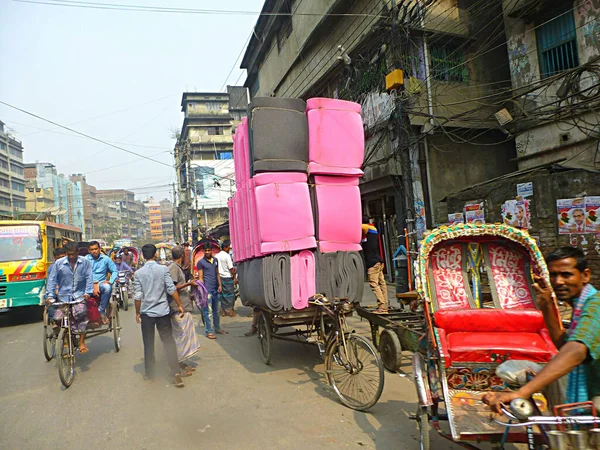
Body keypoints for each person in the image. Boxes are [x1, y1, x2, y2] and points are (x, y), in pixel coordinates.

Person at [483, 247, 600, 413]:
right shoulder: (580, 305)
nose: (558, 281)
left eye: (566, 275)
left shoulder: (595, 305)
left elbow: (576, 351)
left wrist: (522, 393)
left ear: (585, 276)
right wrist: (546, 307)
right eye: (553, 275)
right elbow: (564, 345)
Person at [134, 244, 186, 387]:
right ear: (155, 255)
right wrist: (180, 304)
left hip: (147, 313)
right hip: (163, 311)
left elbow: (138, 296)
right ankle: (175, 372)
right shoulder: (163, 269)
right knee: (168, 341)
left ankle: (150, 374)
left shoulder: (138, 273)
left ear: (143, 256)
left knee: (148, 343)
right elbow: (171, 289)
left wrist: (137, 312)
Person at [46, 242, 94, 353]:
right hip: (63, 296)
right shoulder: (59, 263)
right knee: (57, 318)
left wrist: (88, 293)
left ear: (77, 252)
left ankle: (82, 342)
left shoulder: (85, 262)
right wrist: (50, 295)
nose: (71, 257)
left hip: (79, 296)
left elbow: (89, 278)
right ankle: (66, 338)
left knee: (81, 315)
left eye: (73, 254)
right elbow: (52, 280)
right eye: (69, 254)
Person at [168, 246, 200, 375]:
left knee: (182, 336)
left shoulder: (176, 268)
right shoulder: (173, 269)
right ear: (182, 256)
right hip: (178, 307)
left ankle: (181, 362)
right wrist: (189, 284)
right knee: (180, 336)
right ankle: (177, 365)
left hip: (182, 305)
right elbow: (173, 288)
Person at [196, 243, 225, 339]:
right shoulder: (201, 263)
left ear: (211, 250)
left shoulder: (215, 260)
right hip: (207, 290)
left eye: (209, 250)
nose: (207, 252)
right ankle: (209, 331)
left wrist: (220, 285)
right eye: (206, 250)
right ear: (203, 251)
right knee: (207, 312)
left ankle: (217, 328)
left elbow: (217, 274)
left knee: (216, 311)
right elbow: (200, 278)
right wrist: (203, 291)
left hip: (216, 289)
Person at [86, 241, 118, 324]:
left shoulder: (106, 259)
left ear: (99, 249)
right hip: (87, 285)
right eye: (92, 249)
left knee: (107, 288)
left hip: (101, 284)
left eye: (96, 249)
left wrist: (110, 281)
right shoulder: (84, 260)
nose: (94, 251)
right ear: (89, 250)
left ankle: (101, 310)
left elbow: (114, 271)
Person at [361, 216, 388, 314]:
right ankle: (385, 305)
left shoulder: (369, 228)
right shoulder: (370, 232)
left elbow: (359, 227)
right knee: (382, 283)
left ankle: (382, 306)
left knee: (374, 284)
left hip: (374, 263)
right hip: (378, 262)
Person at [45, 247, 67, 321]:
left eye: (63, 257)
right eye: (59, 258)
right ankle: (53, 320)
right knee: (49, 299)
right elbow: (50, 282)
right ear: (55, 258)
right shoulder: (52, 268)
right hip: (56, 290)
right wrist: (56, 289)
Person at [215, 240, 236, 317]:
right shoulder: (227, 256)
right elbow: (231, 268)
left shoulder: (216, 256)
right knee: (230, 295)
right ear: (225, 247)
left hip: (219, 278)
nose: (229, 249)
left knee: (222, 295)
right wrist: (234, 277)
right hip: (227, 277)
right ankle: (230, 311)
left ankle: (223, 311)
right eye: (228, 248)